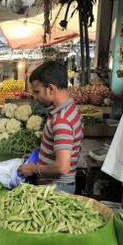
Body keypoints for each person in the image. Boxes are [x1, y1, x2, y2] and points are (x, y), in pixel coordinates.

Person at [18, 61, 82, 194]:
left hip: (56, 188)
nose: (35, 97)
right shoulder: (72, 109)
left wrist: (33, 169)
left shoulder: (61, 121)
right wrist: (40, 154)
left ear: (51, 89)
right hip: (60, 186)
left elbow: (62, 167)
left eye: (37, 92)